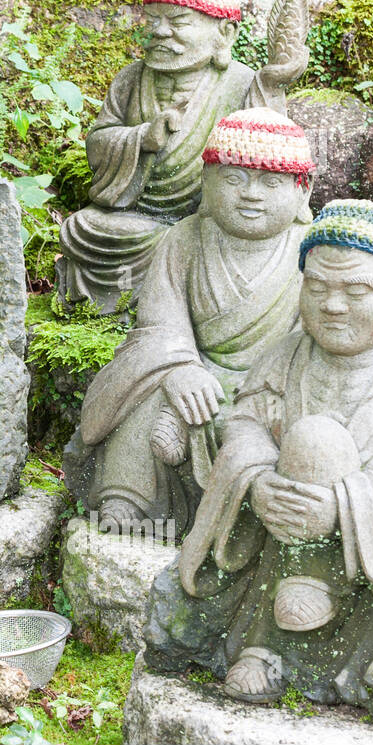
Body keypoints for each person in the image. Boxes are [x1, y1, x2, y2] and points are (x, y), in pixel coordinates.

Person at [162, 200, 373, 703]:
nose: (333, 305)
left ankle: (325, 616)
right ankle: (265, 643)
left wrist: (346, 505)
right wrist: (258, 480)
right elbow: (244, 428)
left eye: (356, 291)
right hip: (281, 533)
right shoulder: (283, 358)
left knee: (317, 443)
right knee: (306, 446)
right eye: (318, 287)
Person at [67, 108, 316, 532]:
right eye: (234, 179)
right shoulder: (183, 239)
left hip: (269, 384)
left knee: (279, 428)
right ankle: (126, 498)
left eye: (270, 182)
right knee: (147, 387)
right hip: (192, 369)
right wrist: (180, 368)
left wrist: (261, 385)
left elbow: (311, 338)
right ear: (206, 181)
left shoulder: (310, 253)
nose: (251, 195)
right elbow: (159, 323)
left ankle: (240, 517)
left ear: (302, 194)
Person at [56, 0, 306, 313]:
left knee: (191, 243)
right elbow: (98, 142)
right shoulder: (130, 79)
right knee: (79, 228)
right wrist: (142, 137)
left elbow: (268, 154)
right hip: (134, 218)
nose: (159, 32)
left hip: (200, 221)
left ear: (225, 33)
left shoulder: (242, 84)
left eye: (178, 21)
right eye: (152, 21)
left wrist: (272, 86)